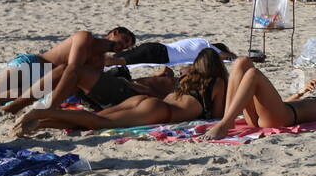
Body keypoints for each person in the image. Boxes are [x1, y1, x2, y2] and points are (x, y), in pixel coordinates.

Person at [19, 49, 230, 135]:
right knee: (97, 122)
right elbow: (219, 115)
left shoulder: (187, 77)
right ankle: (39, 113)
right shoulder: (217, 82)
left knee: (92, 119)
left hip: (146, 100)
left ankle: (40, 123)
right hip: (160, 111)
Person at [0, 27, 138, 113]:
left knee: (0, 97)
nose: (123, 45)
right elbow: (72, 69)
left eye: (127, 46)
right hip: (34, 65)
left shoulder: (99, 63)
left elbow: (79, 85)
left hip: (46, 83)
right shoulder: (85, 37)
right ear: (114, 32)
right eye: (124, 40)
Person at [202, 60, 316, 140]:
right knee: (241, 63)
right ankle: (227, 120)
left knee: (253, 74)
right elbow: (282, 104)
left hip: (279, 118)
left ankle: (224, 124)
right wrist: (301, 93)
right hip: (275, 113)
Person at [107, 37, 236, 66]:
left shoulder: (199, 41)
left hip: (156, 47)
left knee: (117, 57)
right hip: (159, 54)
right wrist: (234, 56)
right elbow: (223, 55)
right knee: (118, 61)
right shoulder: (206, 45)